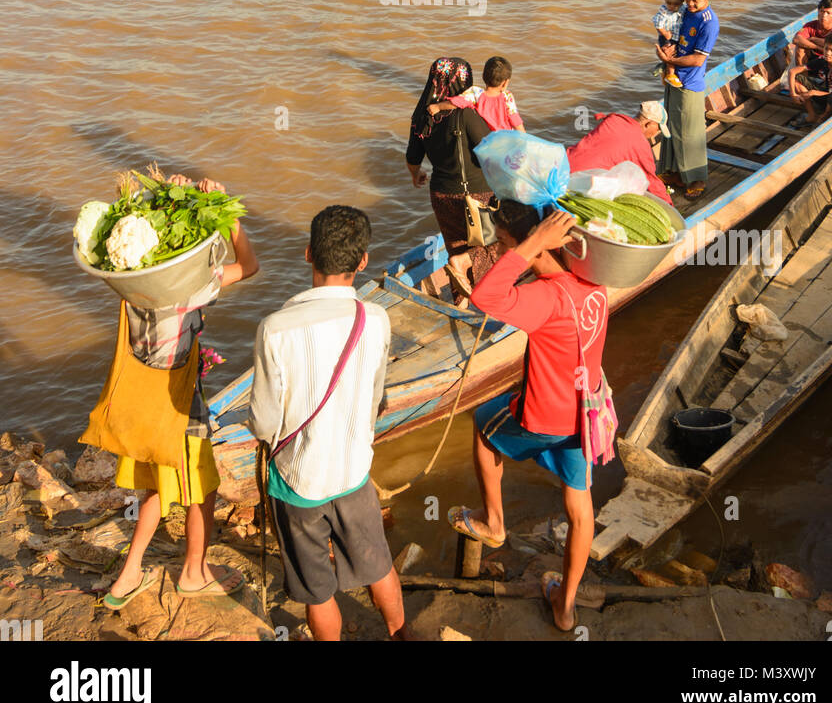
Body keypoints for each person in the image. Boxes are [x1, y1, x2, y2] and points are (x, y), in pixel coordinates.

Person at [248, 205, 411, 642]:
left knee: (317, 592)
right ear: (362, 262)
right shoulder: (374, 318)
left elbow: (263, 423)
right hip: (354, 473)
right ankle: (399, 633)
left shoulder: (274, 329)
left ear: (307, 254)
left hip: (297, 485)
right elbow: (376, 398)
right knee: (379, 565)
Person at [449, 201, 613, 632]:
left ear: (533, 244)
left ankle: (494, 522)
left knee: (484, 424)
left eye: (504, 245)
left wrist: (530, 244)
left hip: (544, 416)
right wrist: (534, 247)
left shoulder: (545, 298)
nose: (503, 254)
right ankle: (565, 607)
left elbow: (484, 296)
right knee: (580, 510)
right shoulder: (594, 284)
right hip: (585, 416)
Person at [102, 175, 260, 610]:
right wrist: (228, 215)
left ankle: (129, 573)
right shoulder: (189, 288)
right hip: (179, 402)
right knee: (201, 485)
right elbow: (249, 265)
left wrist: (161, 196)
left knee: (158, 485)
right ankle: (193, 572)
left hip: (143, 397)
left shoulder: (130, 283)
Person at [406, 56, 497, 304]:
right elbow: (490, 149)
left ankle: (462, 303)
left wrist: (417, 175)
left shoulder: (421, 117)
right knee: (497, 243)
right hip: (475, 194)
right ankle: (491, 297)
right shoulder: (466, 114)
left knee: (456, 247)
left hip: (441, 195)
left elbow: (413, 158)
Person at [657, 0, 721, 201]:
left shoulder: (709, 23)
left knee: (690, 133)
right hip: (673, 76)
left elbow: (697, 59)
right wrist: (666, 54)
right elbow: (668, 30)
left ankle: (697, 178)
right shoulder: (684, 11)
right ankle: (675, 173)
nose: (691, 2)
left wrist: (669, 61)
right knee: (671, 126)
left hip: (690, 81)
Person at [566, 101, 673, 204]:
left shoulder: (614, 120)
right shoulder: (640, 144)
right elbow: (651, 181)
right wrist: (669, 205)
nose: (657, 133)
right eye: (658, 129)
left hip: (564, 165)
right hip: (581, 182)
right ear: (648, 124)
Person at [427, 55, 525, 132]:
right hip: (505, 139)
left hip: (485, 140)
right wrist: (524, 139)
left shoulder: (476, 93)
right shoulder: (507, 97)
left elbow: (456, 103)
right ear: (505, 83)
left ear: (483, 76)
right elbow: (515, 120)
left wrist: (438, 107)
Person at [789, 32, 832, 123]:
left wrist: (813, 92)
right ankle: (812, 115)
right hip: (826, 94)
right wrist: (793, 94)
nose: (827, 53)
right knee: (798, 78)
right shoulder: (822, 60)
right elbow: (793, 71)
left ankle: (822, 118)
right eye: (826, 49)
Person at [652, 0, 685, 87]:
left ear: (682, 2)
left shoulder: (682, 9)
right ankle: (670, 75)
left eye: (676, 4)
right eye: (669, 3)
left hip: (676, 36)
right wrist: (665, 33)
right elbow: (657, 23)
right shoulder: (664, 11)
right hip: (666, 37)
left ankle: (664, 67)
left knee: (676, 53)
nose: (671, 6)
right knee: (670, 55)